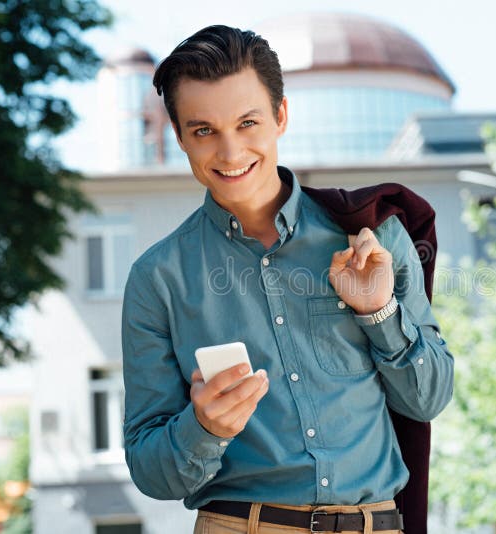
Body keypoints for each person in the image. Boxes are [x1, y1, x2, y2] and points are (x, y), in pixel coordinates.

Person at [121, 24, 454, 534]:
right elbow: (150, 471)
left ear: (280, 116)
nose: (230, 154)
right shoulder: (157, 279)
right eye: (204, 130)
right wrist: (203, 428)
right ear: (181, 138)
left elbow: (429, 399)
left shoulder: (370, 238)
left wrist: (378, 312)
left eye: (247, 122)